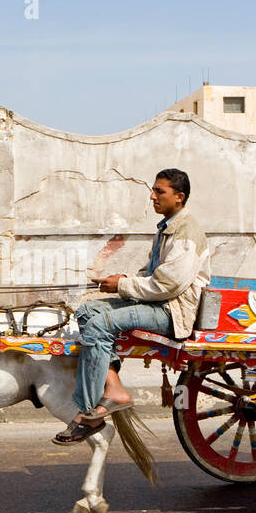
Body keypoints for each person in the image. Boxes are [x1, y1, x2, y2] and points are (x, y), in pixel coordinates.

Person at [53, 168, 212, 445]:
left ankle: (89, 412)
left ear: (179, 197)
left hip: (171, 311)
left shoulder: (186, 232)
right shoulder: (166, 229)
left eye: (159, 191)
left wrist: (123, 286)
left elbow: (168, 285)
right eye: (153, 190)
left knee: (101, 325)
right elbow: (150, 274)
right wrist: (122, 281)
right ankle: (113, 388)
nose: (152, 196)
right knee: (87, 312)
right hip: (156, 302)